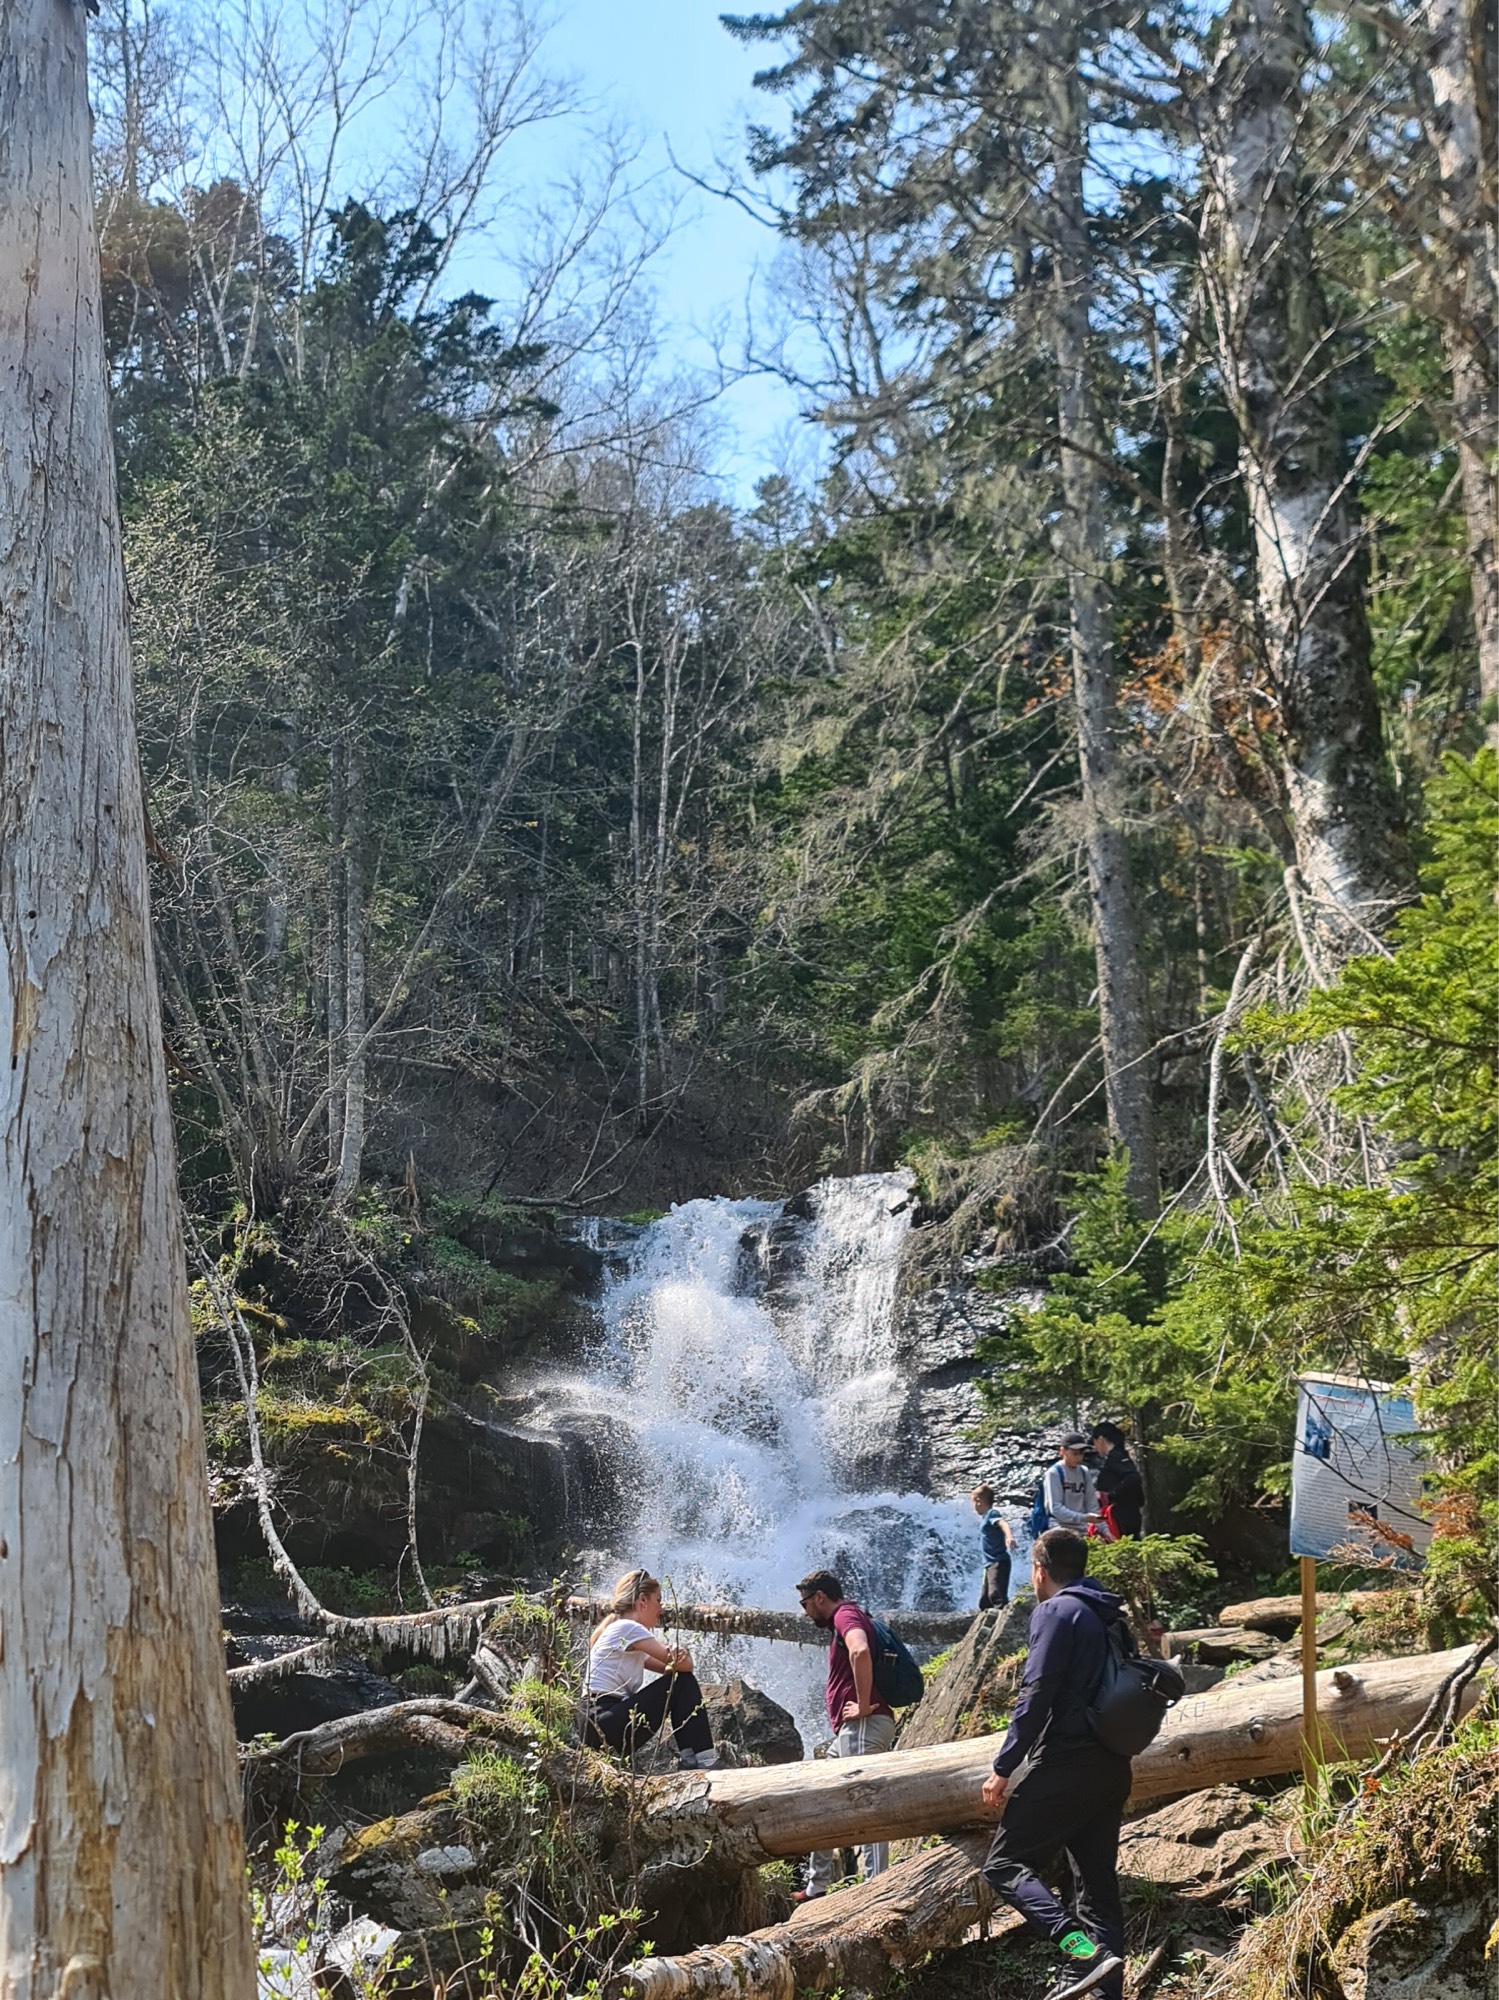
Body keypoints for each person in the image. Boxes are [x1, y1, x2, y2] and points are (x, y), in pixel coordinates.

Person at [978, 1528, 1129, 2000]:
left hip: (1067, 1762)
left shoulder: (1055, 1611)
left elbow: (1036, 1693)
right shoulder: (1108, 1613)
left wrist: (1003, 1767)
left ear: (1040, 1570)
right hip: (1112, 1764)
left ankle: (1080, 1951)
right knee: (1097, 1890)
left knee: (1003, 1865)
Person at [794, 1568, 897, 1900]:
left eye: (805, 1604)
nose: (805, 1611)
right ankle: (817, 1885)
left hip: (864, 1725)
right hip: (851, 1731)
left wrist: (864, 1705)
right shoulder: (846, 1615)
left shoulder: (845, 1615)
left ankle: (876, 1888)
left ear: (820, 1598)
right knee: (824, 1795)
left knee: (865, 1801)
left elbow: (860, 1650)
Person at [582, 1568, 720, 1769]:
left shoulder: (624, 1632)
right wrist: (679, 1652)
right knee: (682, 1683)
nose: (661, 1609)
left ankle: (692, 1759)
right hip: (603, 1721)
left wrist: (677, 1656)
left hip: (594, 1726)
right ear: (643, 1601)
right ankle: (705, 1759)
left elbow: (673, 1668)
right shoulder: (628, 1628)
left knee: (679, 1681)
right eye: (658, 1600)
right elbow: (684, 1669)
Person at [1090, 1422, 1144, 1540]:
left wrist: (1110, 1495)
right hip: (1128, 1513)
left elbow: (1133, 1477)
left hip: (1120, 1516)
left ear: (1101, 1439)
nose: (1095, 1447)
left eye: (1094, 1442)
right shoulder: (1121, 1456)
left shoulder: (1116, 1457)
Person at [1045, 1433, 1102, 1532]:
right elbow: (1055, 1508)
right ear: (1062, 1451)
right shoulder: (1054, 1473)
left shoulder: (1084, 1471)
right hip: (1058, 1528)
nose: (1079, 1458)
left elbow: (1092, 1505)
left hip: (1081, 1528)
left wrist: (1104, 1530)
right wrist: (1084, 1517)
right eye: (1075, 1454)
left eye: (1081, 1453)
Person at [972, 1483, 1014, 1609]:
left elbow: (1003, 1523)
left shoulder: (992, 1513)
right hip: (989, 1564)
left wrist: (1009, 1536)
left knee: (996, 1595)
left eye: (973, 1502)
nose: (973, 1507)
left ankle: (1005, 1623)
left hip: (998, 1561)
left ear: (978, 1501)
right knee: (985, 1601)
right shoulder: (985, 1517)